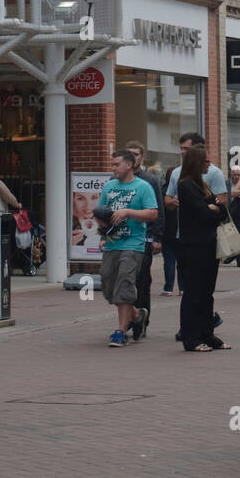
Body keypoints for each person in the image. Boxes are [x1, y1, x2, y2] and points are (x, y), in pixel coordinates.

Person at [95, 150, 158, 347]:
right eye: (112, 165)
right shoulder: (109, 187)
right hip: (112, 243)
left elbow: (153, 213)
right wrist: (102, 230)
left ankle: (120, 331)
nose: (113, 168)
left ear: (129, 165)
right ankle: (137, 314)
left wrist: (128, 212)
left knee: (124, 283)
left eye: (116, 164)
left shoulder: (143, 187)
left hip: (133, 244)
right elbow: (100, 212)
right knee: (108, 283)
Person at [176, 145, 229, 352]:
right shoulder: (186, 185)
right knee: (193, 293)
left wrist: (215, 208)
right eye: (206, 161)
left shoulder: (203, 185)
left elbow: (223, 210)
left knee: (207, 293)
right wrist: (212, 209)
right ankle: (191, 338)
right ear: (197, 163)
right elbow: (203, 214)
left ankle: (207, 334)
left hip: (209, 246)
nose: (209, 164)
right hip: (193, 248)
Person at [126, 141, 165, 321]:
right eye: (129, 153)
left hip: (145, 238)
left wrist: (157, 237)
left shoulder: (150, 179)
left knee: (142, 280)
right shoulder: (116, 179)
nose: (133, 157)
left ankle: (142, 318)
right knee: (124, 282)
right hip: (123, 238)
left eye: (136, 154)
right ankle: (129, 317)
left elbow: (159, 210)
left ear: (142, 157)